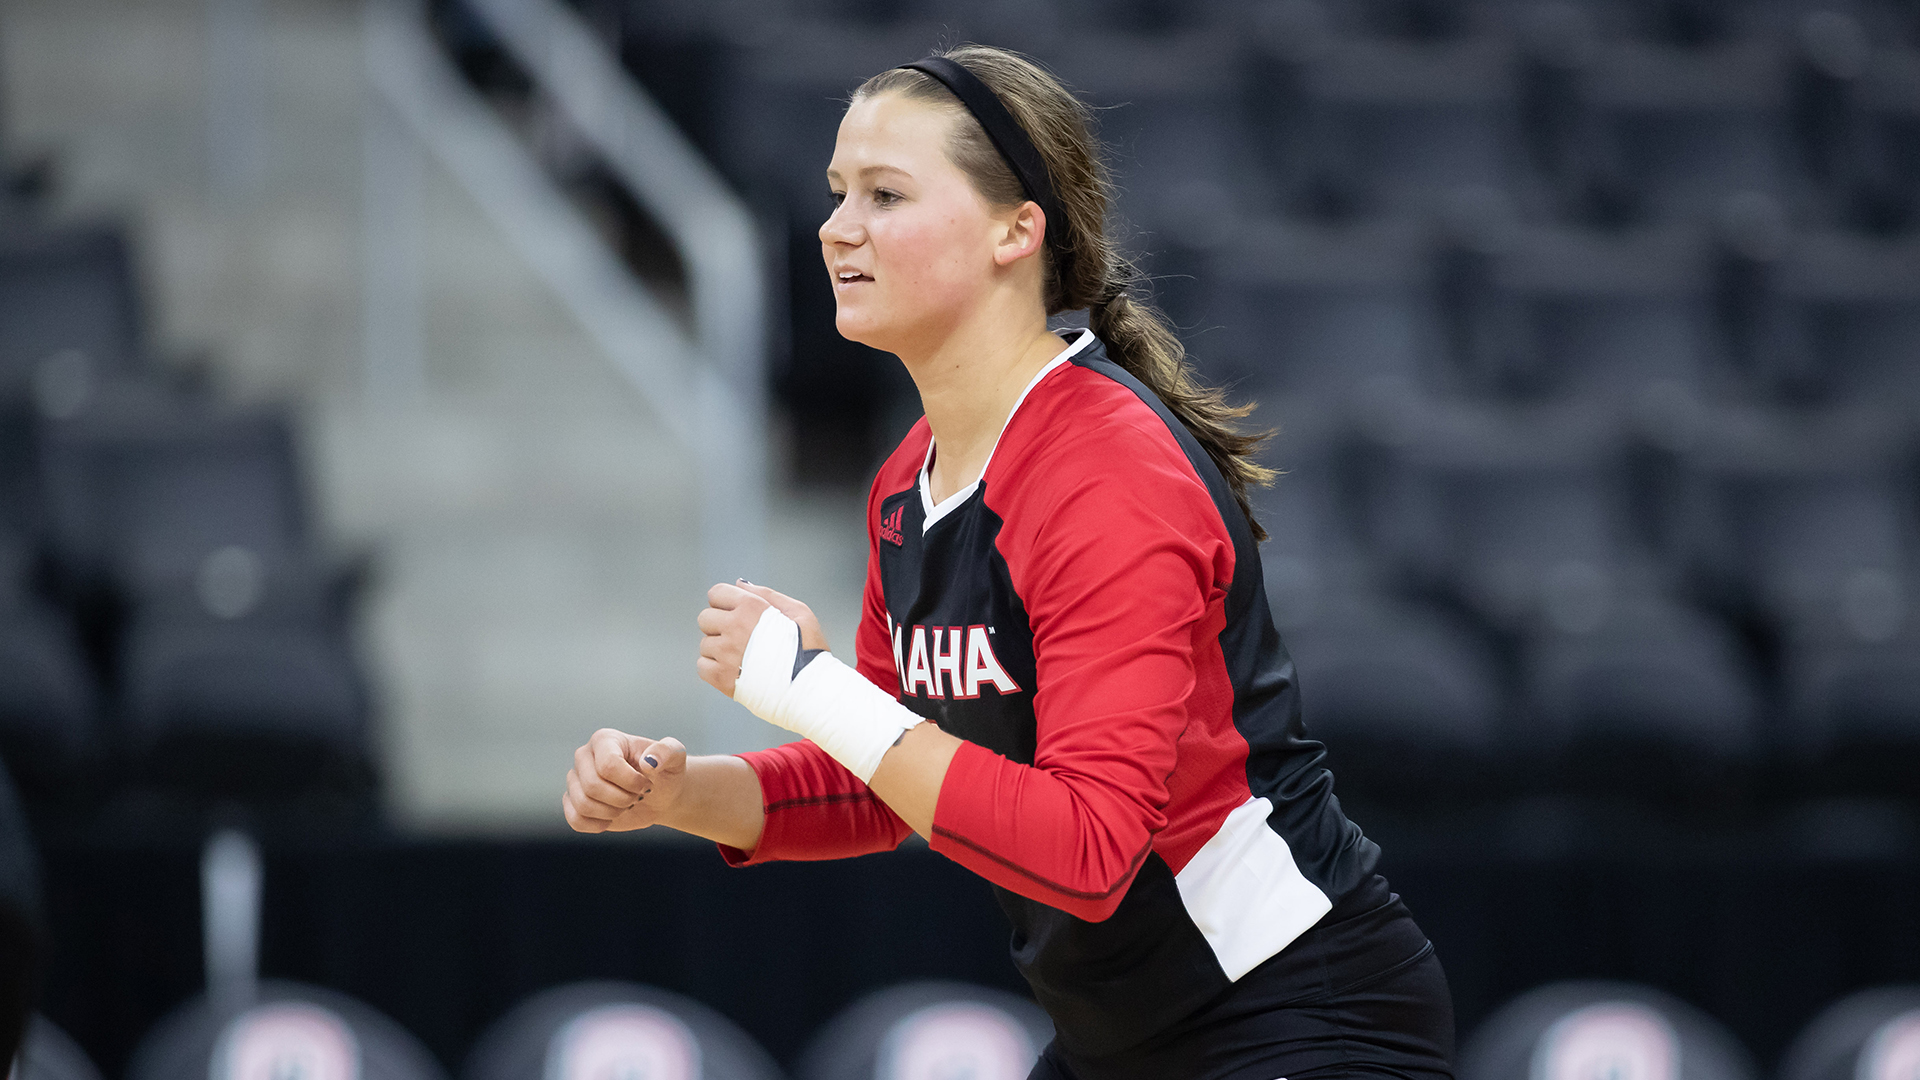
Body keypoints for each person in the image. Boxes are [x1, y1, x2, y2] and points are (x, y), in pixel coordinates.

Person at [562, 45, 1455, 1080]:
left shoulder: (1105, 471)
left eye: (885, 194)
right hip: (1122, 1038)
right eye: (837, 193)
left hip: (1299, 1016)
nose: (837, 228)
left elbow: (1086, 850)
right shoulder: (910, 480)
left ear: (1014, 231)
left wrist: (811, 691)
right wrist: (680, 793)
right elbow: (888, 780)